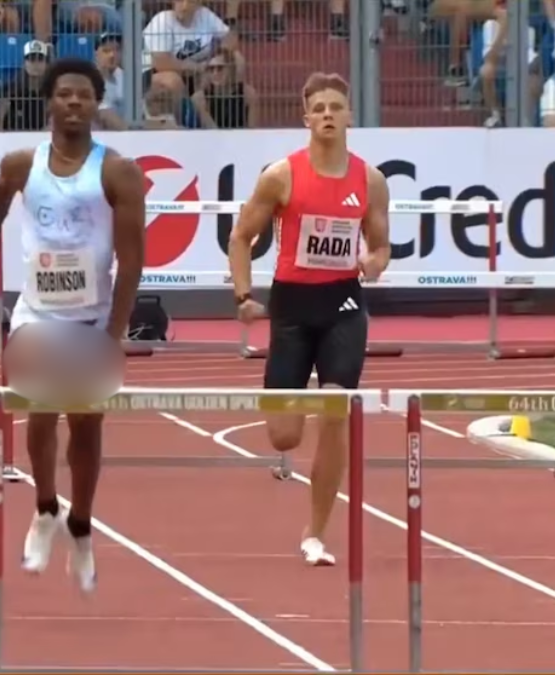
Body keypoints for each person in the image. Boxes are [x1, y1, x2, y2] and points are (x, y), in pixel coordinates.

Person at [0, 57, 146, 593]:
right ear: (49, 102)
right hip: (36, 312)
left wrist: (115, 334)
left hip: (92, 317)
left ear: (96, 103)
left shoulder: (117, 172)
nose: (74, 103)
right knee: (36, 402)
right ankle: (44, 507)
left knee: (86, 426)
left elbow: (132, 262)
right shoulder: (22, 165)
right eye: (65, 94)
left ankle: (80, 523)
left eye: (84, 95)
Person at [228, 72, 390, 567]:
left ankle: (315, 533)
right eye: (318, 107)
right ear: (305, 118)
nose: (326, 114)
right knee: (285, 436)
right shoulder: (282, 176)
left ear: (348, 116)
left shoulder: (370, 180)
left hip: (343, 305)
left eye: (335, 107)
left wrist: (376, 263)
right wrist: (242, 295)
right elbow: (241, 238)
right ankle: (295, 418)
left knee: (336, 410)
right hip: (291, 308)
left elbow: (382, 245)